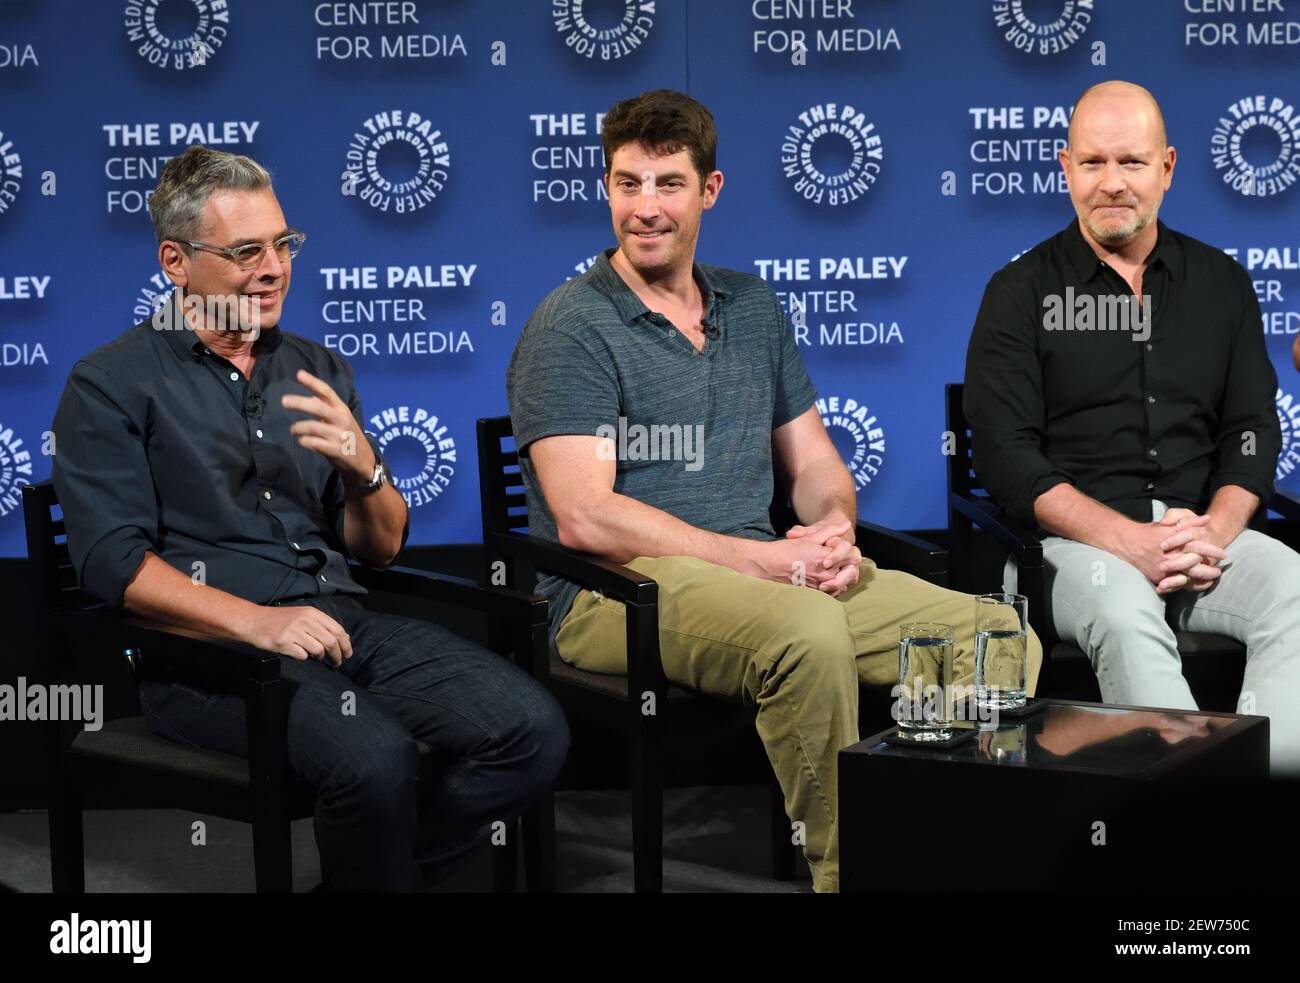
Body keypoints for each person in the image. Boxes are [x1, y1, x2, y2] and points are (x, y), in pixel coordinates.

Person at [508, 90, 1043, 892]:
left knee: (997, 633)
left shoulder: (753, 307)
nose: (645, 207)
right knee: (807, 631)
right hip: (616, 593)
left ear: (710, 190)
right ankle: (850, 875)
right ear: (606, 188)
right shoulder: (571, 325)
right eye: (627, 183)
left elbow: (816, 461)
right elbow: (585, 517)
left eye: (668, 184)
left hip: (764, 575)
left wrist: (832, 529)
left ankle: (938, 848)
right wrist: (757, 562)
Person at [50, 146, 568, 890]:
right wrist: (258, 624)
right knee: (375, 758)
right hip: (206, 659)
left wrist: (365, 470)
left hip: (339, 627)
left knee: (530, 729)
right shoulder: (110, 383)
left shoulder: (317, 370)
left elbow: (379, 549)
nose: (273, 268)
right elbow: (113, 565)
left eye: (283, 244)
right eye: (245, 251)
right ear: (175, 261)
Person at [964, 80, 1300, 775]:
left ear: (1167, 168)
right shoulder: (1018, 294)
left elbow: (1252, 430)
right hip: (1070, 549)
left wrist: (1212, 532)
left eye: (1132, 162)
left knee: (1295, 584)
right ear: (1065, 169)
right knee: (1123, 610)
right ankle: (1190, 807)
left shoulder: (1223, 284)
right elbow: (1007, 456)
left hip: (1199, 538)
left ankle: (1269, 791)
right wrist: (1130, 543)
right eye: (1092, 162)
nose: (1112, 183)